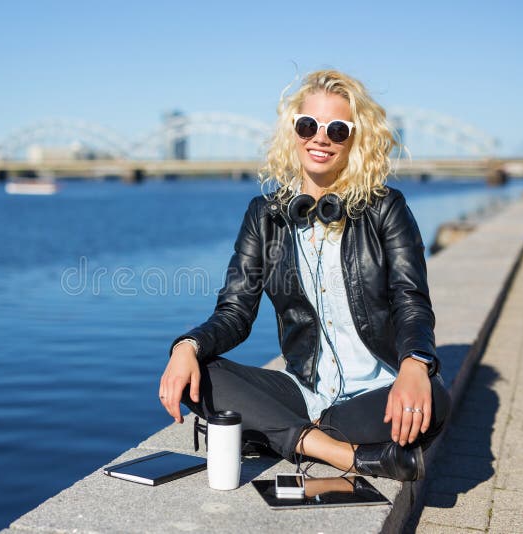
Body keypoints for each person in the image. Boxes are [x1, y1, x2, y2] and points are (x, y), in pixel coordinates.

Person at [158, 70, 451, 481]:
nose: (320, 138)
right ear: (293, 131)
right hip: (303, 391)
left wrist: (415, 366)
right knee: (201, 374)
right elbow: (234, 314)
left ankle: (277, 433)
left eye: (337, 129)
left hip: (374, 394)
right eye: (308, 125)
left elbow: (410, 301)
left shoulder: (386, 208)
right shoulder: (264, 217)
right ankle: (342, 453)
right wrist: (187, 345)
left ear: (356, 139)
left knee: (433, 401)